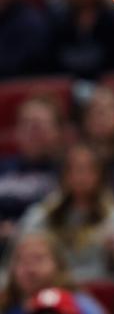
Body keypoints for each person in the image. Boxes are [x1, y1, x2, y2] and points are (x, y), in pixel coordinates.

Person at [19, 143, 114, 283]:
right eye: (75, 169)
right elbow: (20, 252)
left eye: (89, 170)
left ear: (100, 176)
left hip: (101, 290)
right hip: (52, 289)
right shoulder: (42, 216)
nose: (81, 176)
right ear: (64, 175)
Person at [0, 95, 64, 228]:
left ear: (57, 131)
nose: (32, 132)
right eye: (26, 123)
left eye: (39, 125)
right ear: (16, 131)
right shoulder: (3, 167)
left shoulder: (69, 172)